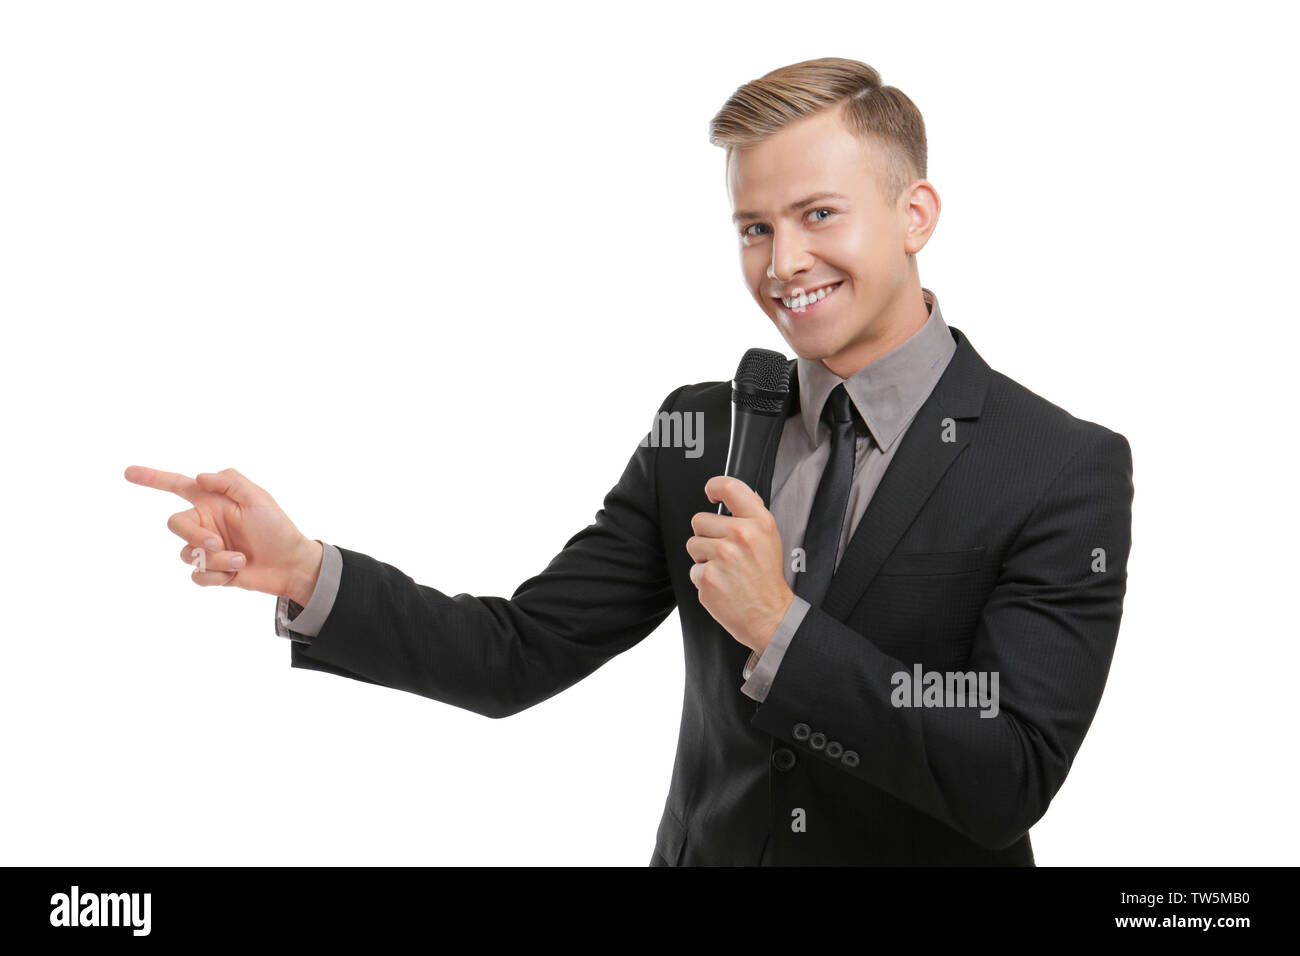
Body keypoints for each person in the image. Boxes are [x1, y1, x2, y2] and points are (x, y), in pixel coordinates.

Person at [125, 57, 1133, 865]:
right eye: (754, 227)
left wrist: (780, 629)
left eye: (818, 214)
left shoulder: (1057, 467)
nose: (781, 264)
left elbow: (1007, 773)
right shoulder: (701, 431)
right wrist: (307, 570)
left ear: (914, 215)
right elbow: (519, 650)